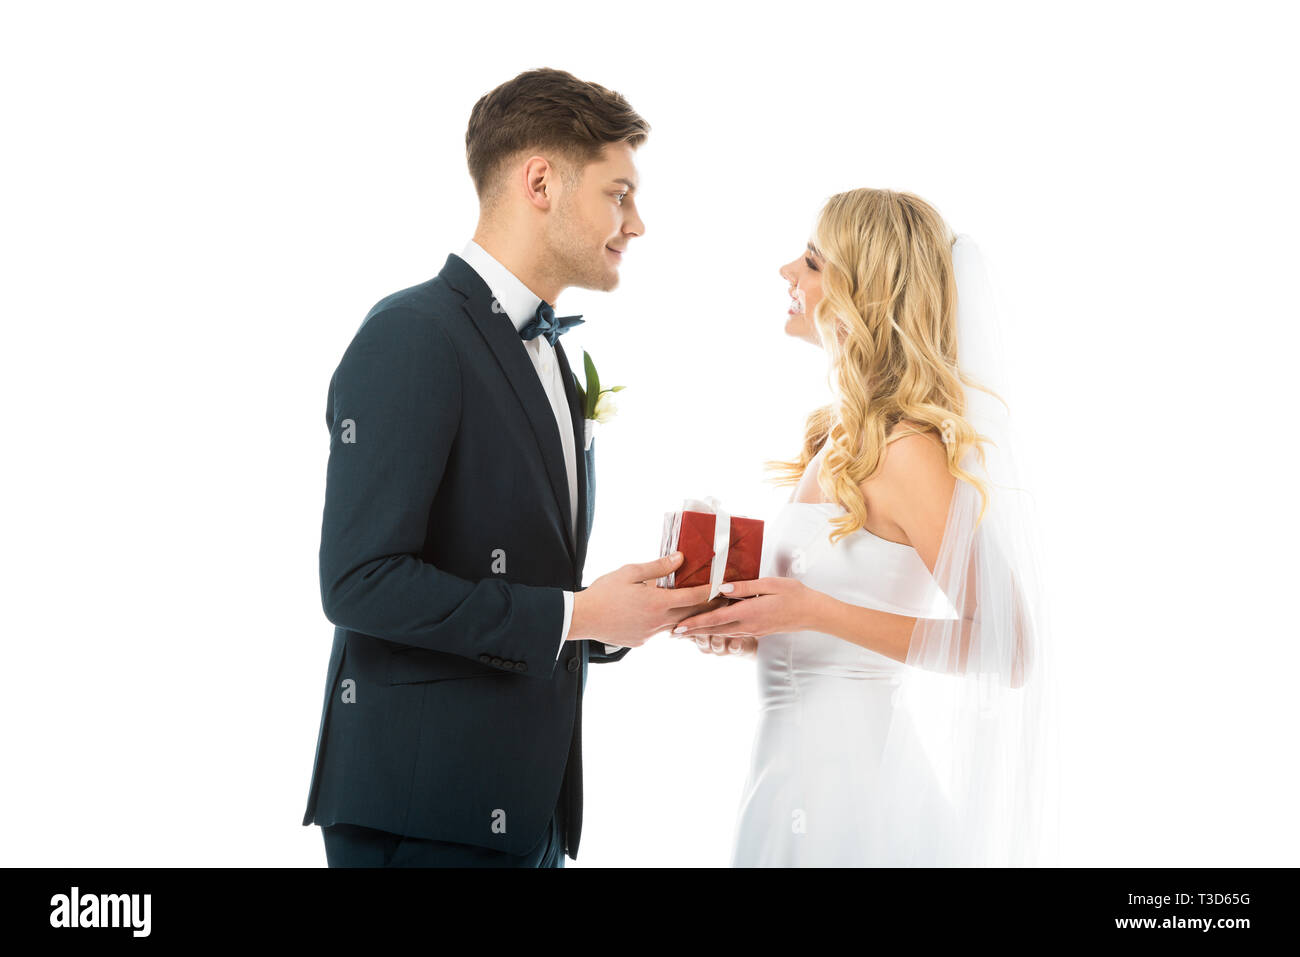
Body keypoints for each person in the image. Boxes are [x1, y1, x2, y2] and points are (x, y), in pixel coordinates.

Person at [301, 67, 716, 867]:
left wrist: (620, 614)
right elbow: (359, 582)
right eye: (619, 193)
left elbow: (517, 585)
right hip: (422, 815)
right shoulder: (413, 334)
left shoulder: (552, 359)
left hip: (531, 812)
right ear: (539, 182)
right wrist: (577, 615)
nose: (637, 224)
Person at [675, 189, 1059, 866]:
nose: (787, 271)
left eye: (813, 261)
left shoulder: (909, 450)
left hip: (851, 796)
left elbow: (1012, 647)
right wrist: (756, 628)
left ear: (865, 293)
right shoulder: (837, 436)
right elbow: (825, 624)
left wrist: (813, 609)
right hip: (786, 774)